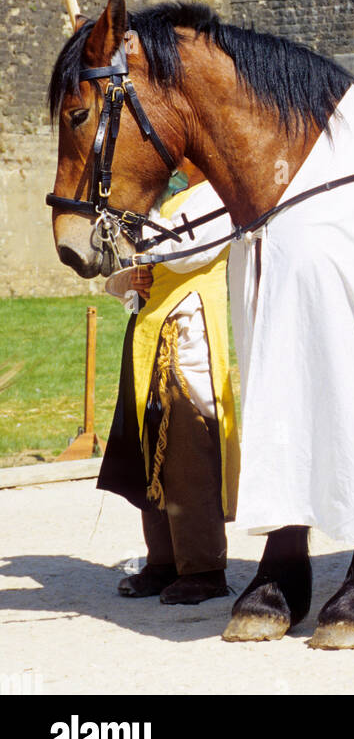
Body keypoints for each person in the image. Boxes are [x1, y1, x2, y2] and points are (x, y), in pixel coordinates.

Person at [98, 163, 239, 605]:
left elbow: (183, 252)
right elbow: (125, 271)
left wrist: (136, 239)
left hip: (186, 339)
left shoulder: (219, 196)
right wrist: (128, 276)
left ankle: (204, 570)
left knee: (187, 452)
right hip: (145, 337)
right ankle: (163, 562)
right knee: (147, 449)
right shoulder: (167, 200)